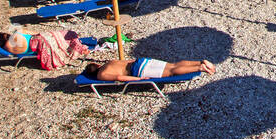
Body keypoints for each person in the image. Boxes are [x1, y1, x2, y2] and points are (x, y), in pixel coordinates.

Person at [83, 58, 216, 81]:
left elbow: (119, 78)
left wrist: (138, 79)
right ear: (97, 65)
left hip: (138, 71)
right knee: (172, 65)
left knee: (171, 72)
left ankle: (200, 68)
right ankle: (200, 62)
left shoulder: (102, 75)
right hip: (141, 61)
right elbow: (129, 61)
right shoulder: (109, 63)